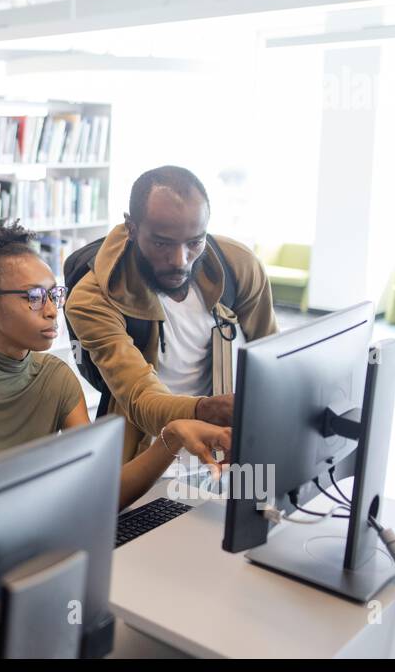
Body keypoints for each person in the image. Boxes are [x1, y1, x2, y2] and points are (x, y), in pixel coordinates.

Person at [0, 218, 231, 510]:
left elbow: (100, 489)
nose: (51, 311)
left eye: (55, 295)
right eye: (34, 297)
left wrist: (171, 438)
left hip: (46, 541)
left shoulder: (56, 379)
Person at [64, 165, 278, 464]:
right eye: (162, 243)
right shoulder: (93, 298)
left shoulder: (238, 265)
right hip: (146, 462)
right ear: (132, 227)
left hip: (226, 456)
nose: (180, 261)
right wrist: (208, 409)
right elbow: (141, 398)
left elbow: (272, 358)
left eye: (194, 242)